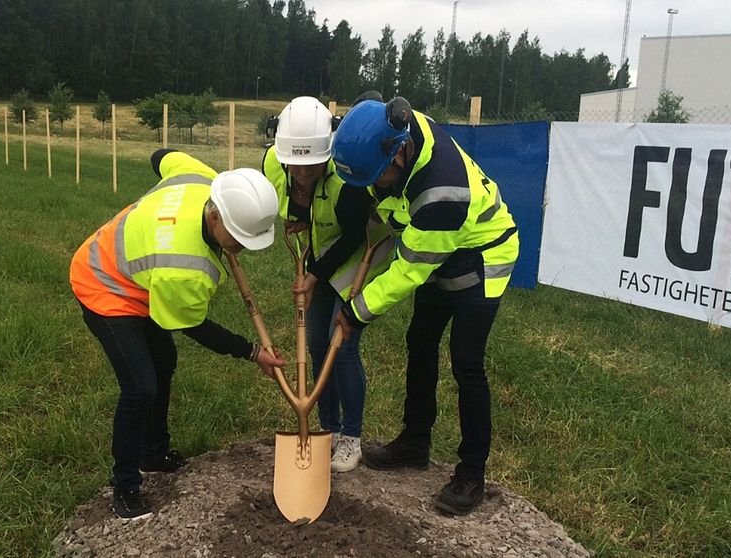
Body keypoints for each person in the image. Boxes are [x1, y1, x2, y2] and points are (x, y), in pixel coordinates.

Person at [69, 149, 286, 520]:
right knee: (141, 386)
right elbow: (195, 326)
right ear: (215, 215)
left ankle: (153, 451)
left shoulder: (200, 176)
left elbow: (160, 156)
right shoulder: (187, 268)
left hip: (144, 280)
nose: (240, 250)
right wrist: (253, 353)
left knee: (164, 360)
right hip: (104, 283)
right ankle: (125, 486)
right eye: (237, 240)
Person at [331, 97, 519, 515]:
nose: (376, 188)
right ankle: (415, 442)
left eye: (378, 179)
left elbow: (409, 270)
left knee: (466, 362)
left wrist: (356, 310)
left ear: (399, 152)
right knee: (420, 341)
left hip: (482, 255)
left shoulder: (441, 192)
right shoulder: (395, 128)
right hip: (438, 248)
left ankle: (471, 473)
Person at [262, 96, 389, 472]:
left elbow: (353, 235)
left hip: (363, 252)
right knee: (317, 343)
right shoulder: (273, 162)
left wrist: (315, 276)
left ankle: (351, 438)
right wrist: (297, 217)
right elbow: (292, 200)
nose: (301, 174)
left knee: (342, 342)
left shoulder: (346, 180)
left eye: (311, 167)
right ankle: (328, 430)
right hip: (323, 249)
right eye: (295, 167)